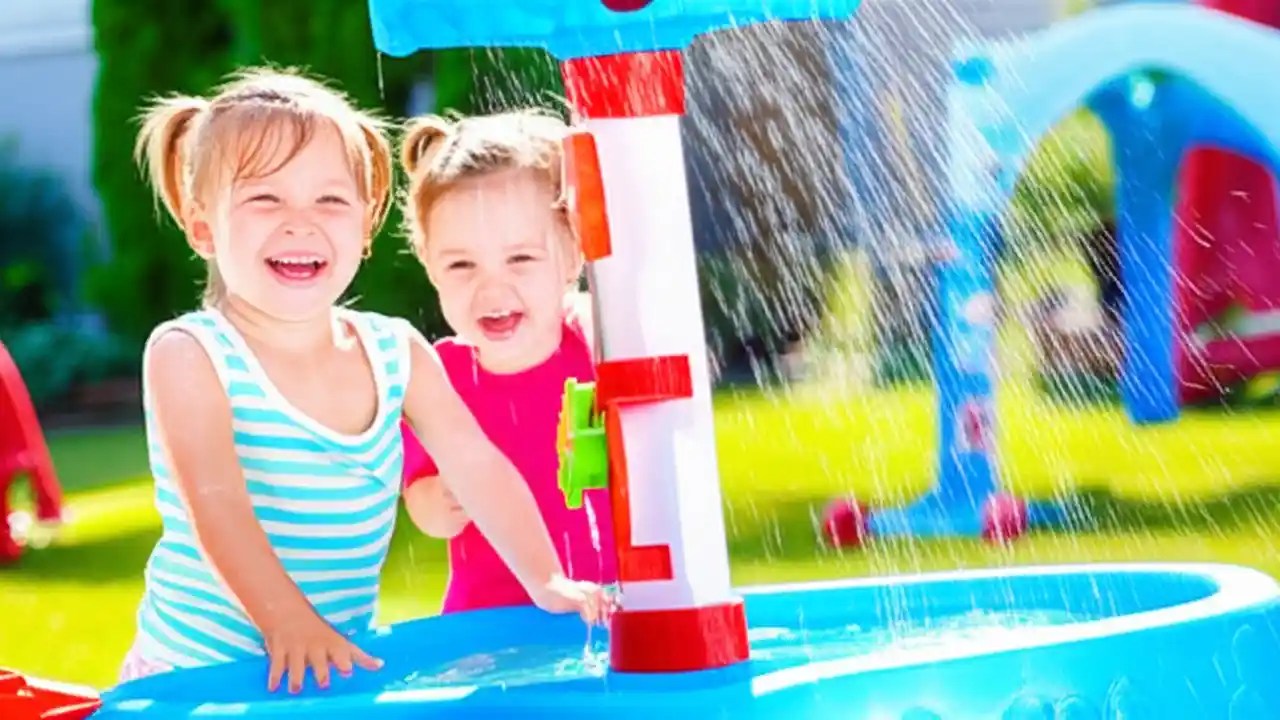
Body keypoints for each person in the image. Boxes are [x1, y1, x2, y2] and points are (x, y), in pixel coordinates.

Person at [121, 69, 607, 693]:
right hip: (197, 676)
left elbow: (477, 464)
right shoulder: (192, 354)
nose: (301, 223)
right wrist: (287, 624)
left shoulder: (393, 351)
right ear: (203, 228)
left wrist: (546, 578)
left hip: (328, 666)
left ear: (367, 221)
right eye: (265, 199)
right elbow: (219, 510)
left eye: (330, 200)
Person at [396, 110, 618, 614]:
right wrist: (440, 505)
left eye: (520, 259)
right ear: (429, 263)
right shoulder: (438, 377)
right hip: (489, 617)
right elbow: (419, 496)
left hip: (605, 601)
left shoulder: (594, 341)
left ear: (572, 255)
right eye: (461, 265)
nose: (492, 288)